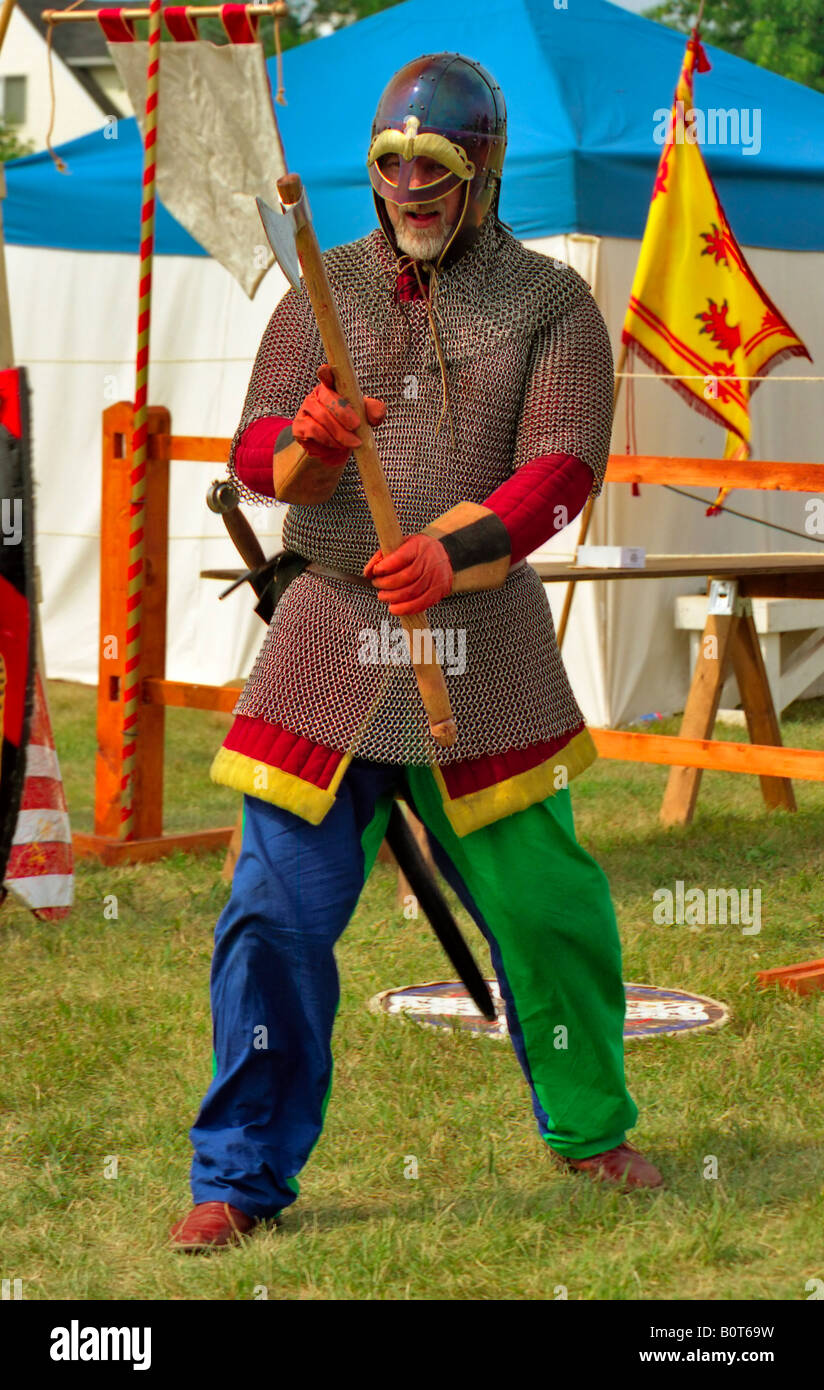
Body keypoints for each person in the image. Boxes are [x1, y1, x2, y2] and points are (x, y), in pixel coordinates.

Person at [171, 52, 662, 1253]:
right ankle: (237, 1176)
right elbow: (254, 455)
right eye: (389, 162)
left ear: (479, 166)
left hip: (478, 644)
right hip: (333, 640)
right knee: (272, 921)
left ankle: (590, 1126)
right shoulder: (319, 295)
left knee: (549, 912)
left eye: (430, 164)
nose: (407, 184)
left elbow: (561, 474)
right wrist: (314, 443)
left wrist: (452, 552)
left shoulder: (550, 304)